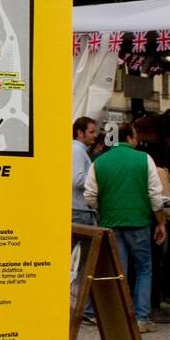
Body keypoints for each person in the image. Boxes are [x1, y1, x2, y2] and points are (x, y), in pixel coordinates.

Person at [83, 121, 167, 334]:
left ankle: (119, 317)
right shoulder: (144, 159)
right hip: (139, 222)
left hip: (110, 223)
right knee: (144, 269)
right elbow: (155, 196)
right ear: (130, 137)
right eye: (135, 136)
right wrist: (161, 222)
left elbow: (90, 195)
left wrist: (103, 210)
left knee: (120, 271)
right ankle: (141, 318)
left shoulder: (99, 162)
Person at [71, 117, 98, 322]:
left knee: (80, 263)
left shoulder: (80, 151)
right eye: (91, 132)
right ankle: (83, 309)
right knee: (82, 264)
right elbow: (77, 179)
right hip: (80, 210)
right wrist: (95, 177)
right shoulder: (77, 151)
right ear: (80, 133)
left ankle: (81, 307)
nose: (95, 135)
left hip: (80, 209)